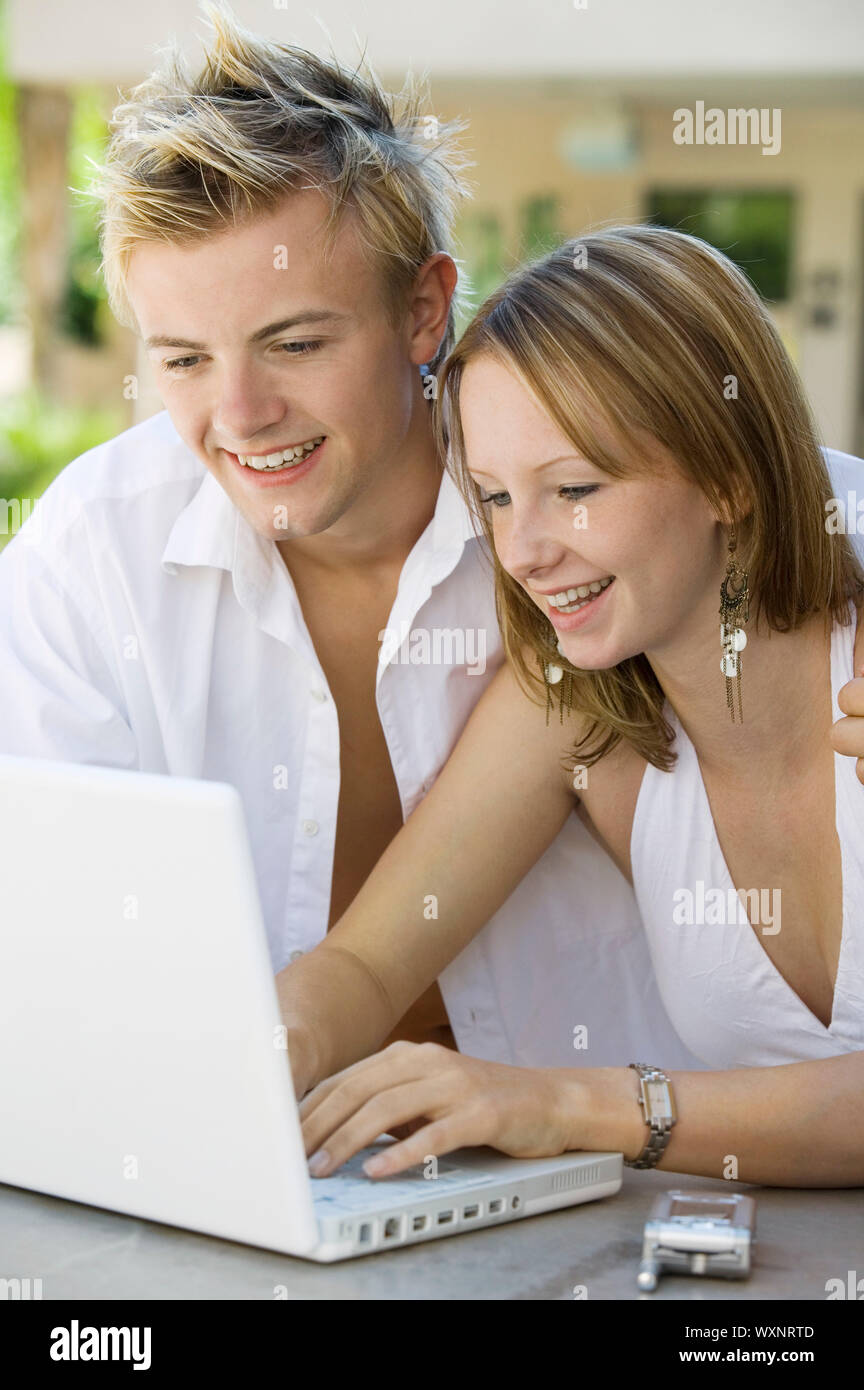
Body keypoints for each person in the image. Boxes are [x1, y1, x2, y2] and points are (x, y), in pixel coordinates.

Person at [0, 6, 715, 1077]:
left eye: (293, 343)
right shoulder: (91, 552)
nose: (240, 415)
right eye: (185, 360)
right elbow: (46, 922)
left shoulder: (581, 501)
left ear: (424, 312)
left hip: (604, 1154)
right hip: (261, 1156)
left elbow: (790, 498)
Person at [296, 226, 864, 1188]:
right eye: (496, 499)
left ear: (729, 472)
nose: (523, 553)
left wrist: (566, 1105)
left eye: (574, 489)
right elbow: (365, 968)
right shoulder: (573, 702)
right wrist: (226, 1078)